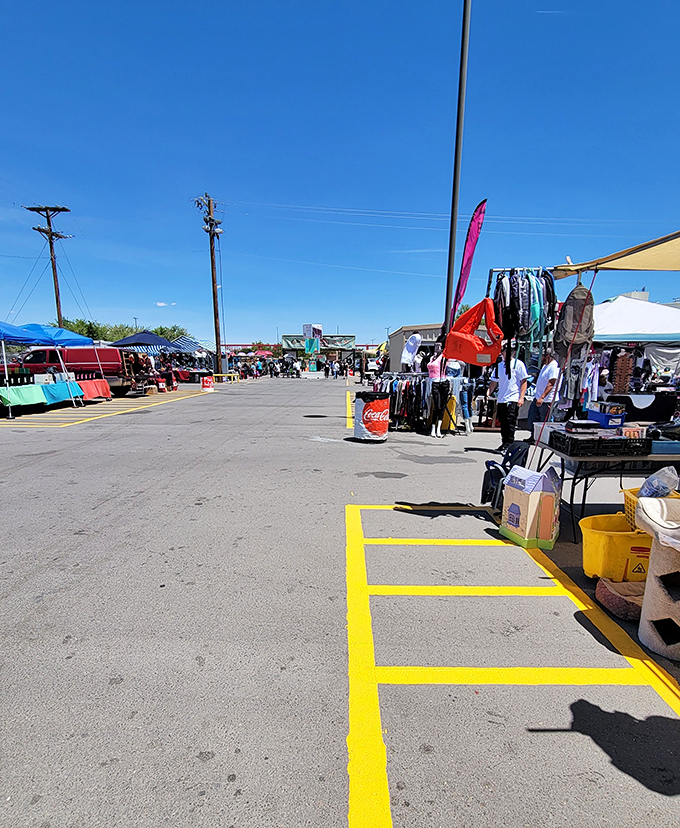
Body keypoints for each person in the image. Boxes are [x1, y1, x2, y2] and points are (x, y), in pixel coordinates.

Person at [487, 349, 528, 451]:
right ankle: (504, 443)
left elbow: (524, 381)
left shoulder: (518, 364)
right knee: (503, 423)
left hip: (513, 398)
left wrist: (521, 397)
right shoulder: (499, 366)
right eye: (505, 352)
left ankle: (509, 444)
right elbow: (494, 382)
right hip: (502, 399)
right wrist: (488, 393)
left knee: (510, 422)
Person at [526, 349, 560, 440]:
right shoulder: (545, 366)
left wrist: (542, 397)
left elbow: (551, 383)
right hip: (538, 397)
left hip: (546, 400)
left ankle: (546, 439)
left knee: (545, 420)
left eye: (542, 356)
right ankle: (534, 436)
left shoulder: (553, 367)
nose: (540, 358)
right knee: (533, 418)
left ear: (547, 356)